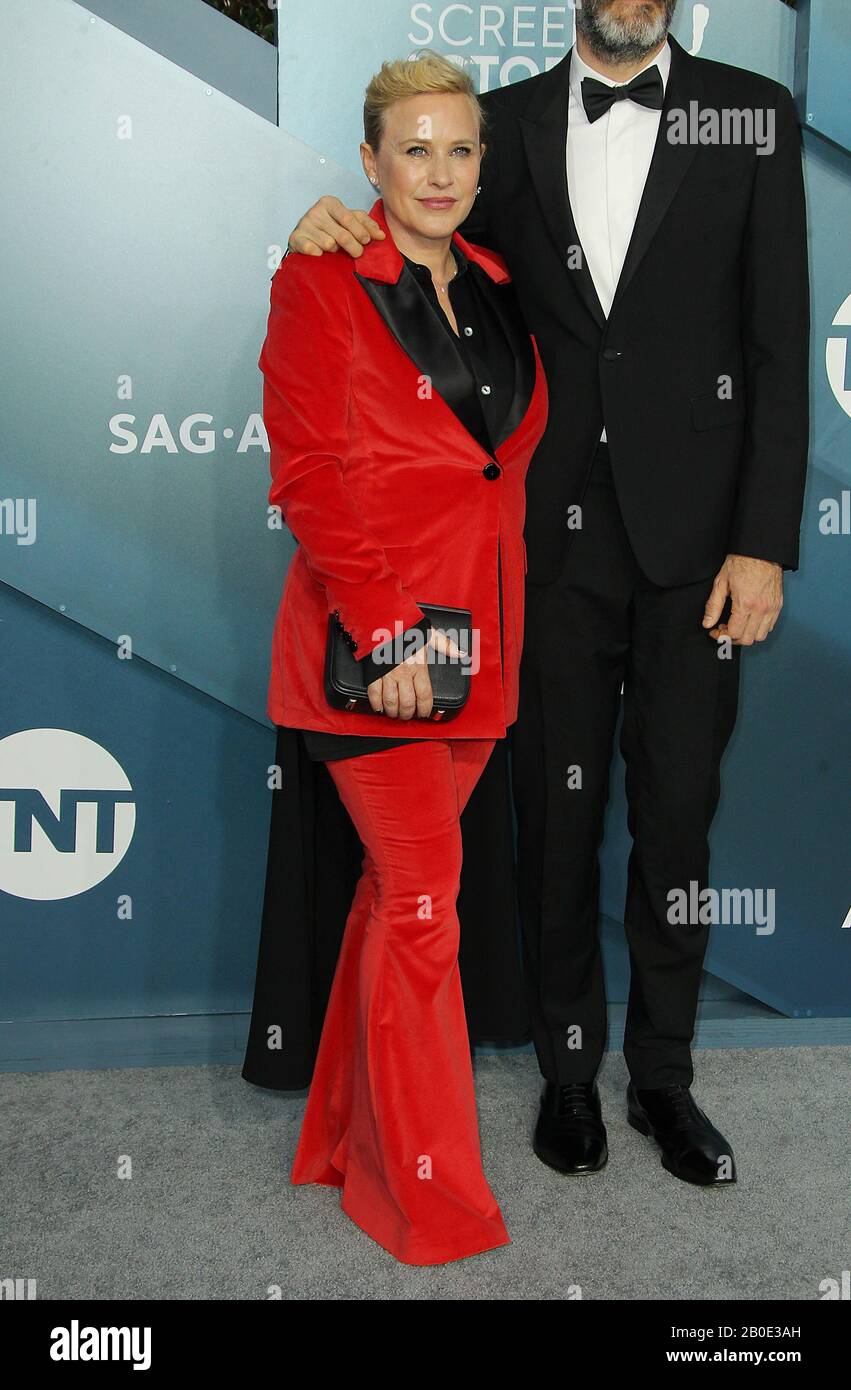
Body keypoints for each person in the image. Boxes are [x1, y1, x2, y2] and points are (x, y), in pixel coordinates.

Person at [285, 0, 810, 1186]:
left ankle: (662, 1075)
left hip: (698, 555)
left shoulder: (751, 115)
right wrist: (325, 221)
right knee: (553, 819)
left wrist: (760, 542)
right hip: (537, 544)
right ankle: (568, 1068)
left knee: (675, 816)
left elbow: (779, 340)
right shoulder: (500, 123)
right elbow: (420, 248)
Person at [257, 51, 548, 1263]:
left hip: (485, 657)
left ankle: (337, 1141)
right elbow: (310, 479)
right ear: (370, 161)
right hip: (377, 660)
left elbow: (491, 472)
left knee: (394, 899)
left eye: (458, 149)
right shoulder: (321, 279)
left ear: (481, 168)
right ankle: (420, 1192)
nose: (437, 171)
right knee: (428, 908)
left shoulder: (492, 282)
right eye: (412, 148)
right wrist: (384, 633)